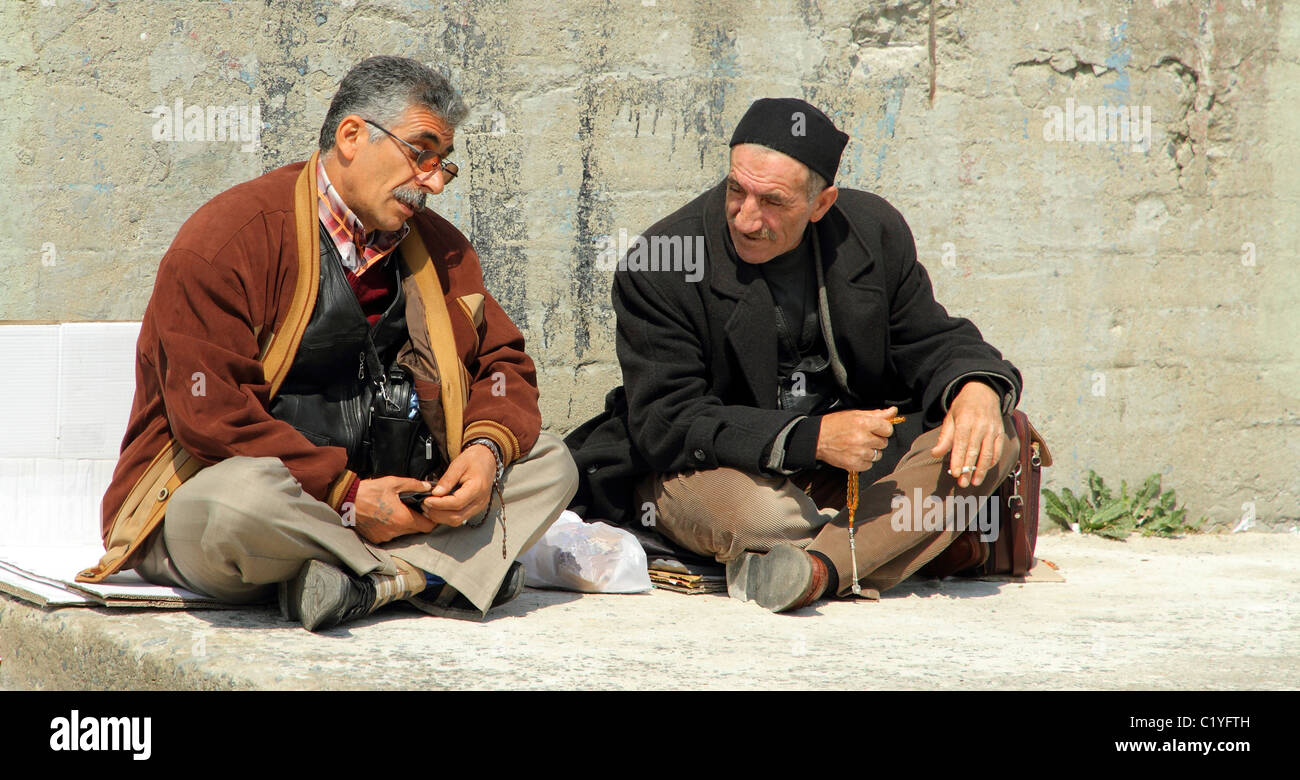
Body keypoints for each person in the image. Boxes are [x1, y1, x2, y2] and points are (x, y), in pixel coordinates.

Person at [81, 56, 577, 631]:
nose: (435, 182)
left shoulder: (443, 251)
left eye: (445, 166)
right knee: (243, 499)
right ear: (351, 136)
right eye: (421, 154)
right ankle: (428, 575)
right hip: (257, 500)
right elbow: (211, 415)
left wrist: (483, 452)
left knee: (549, 461)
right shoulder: (229, 240)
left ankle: (352, 583)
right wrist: (348, 497)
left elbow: (503, 363)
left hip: (397, 501)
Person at [569, 97, 1022, 613]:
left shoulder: (871, 232)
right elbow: (667, 421)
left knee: (988, 438)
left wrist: (976, 388)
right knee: (761, 518)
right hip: (717, 469)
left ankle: (813, 572)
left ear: (821, 204)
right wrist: (812, 439)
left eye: (773, 202)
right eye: (736, 191)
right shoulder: (661, 264)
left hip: (855, 465)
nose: (745, 218)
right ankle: (893, 542)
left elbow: (929, 337)